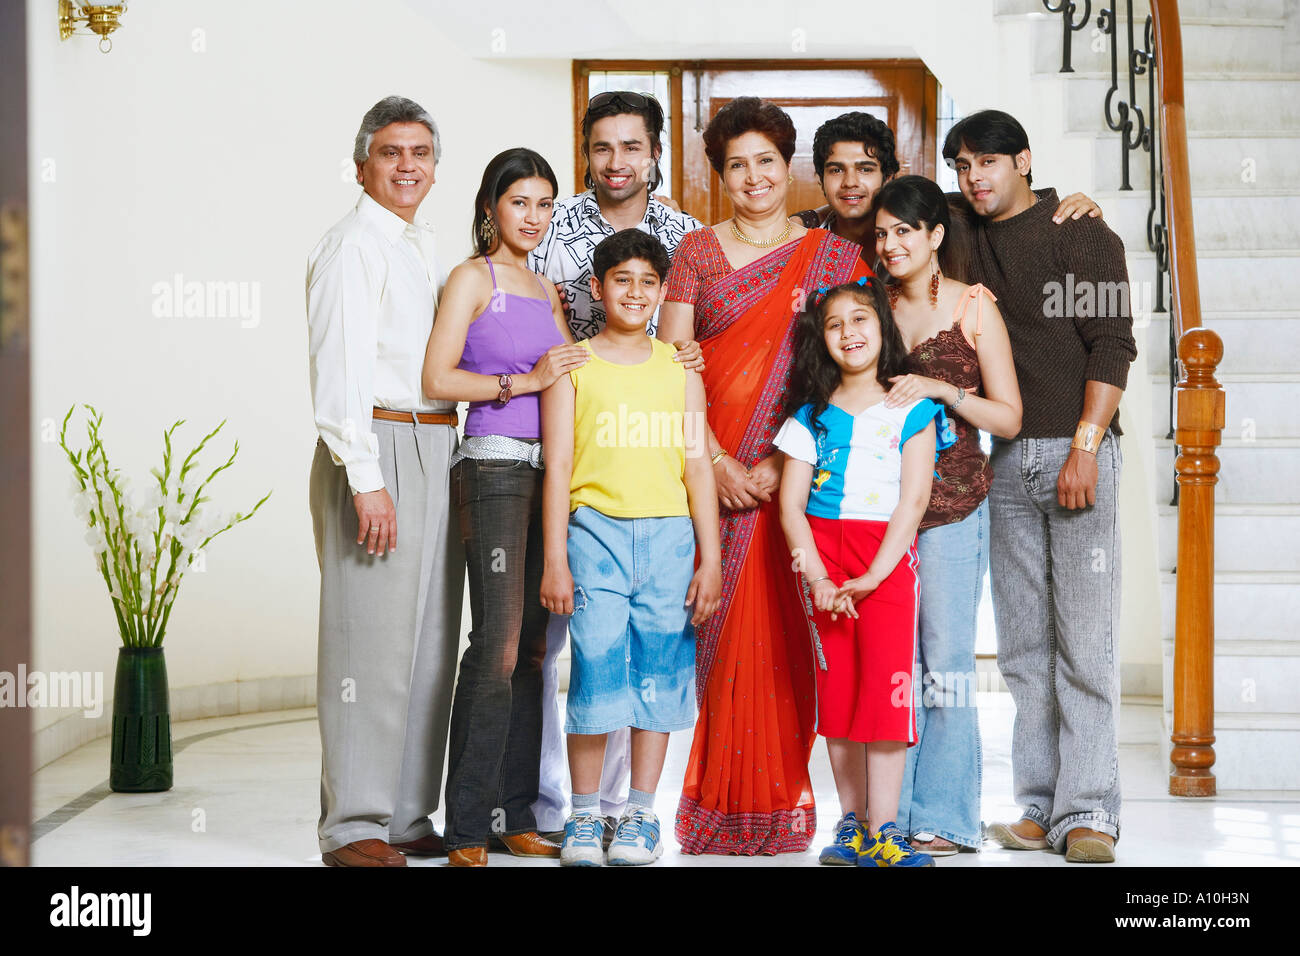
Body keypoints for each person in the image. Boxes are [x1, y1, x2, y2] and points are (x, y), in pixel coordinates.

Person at [657, 96, 871, 855]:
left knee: (788, 650)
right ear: (719, 174)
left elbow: (846, 369)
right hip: (706, 477)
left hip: (798, 482)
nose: (753, 177)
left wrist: (782, 463)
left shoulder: (835, 260)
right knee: (716, 639)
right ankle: (718, 808)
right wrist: (713, 461)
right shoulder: (695, 255)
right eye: (736, 164)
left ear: (790, 168)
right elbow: (669, 366)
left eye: (767, 162)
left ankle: (782, 809)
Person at [943, 109, 1137, 863]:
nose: (975, 177)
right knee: (1024, 648)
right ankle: (1039, 804)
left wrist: (1085, 446)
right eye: (963, 165)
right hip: (1005, 458)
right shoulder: (963, 229)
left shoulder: (1078, 231)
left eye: (989, 162)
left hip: (1077, 452)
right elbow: (897, 205)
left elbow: (1112, 345)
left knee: (1084, 643)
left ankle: (1089, 813)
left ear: (1024, 159)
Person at [528, 90, 704, 839]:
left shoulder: (686, 237)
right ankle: (567, 808)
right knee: (582, 659)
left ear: (655, 152)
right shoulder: (555, 230)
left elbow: (700, 336)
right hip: (579, 449)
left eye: (632, 146)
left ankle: (635, 814)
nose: (616, 161)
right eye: (602, 147)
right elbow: (521, 297)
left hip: (661, 469)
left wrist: (689, 359)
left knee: (657, 661)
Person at [306, 95, 462, 867]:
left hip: (437, 444)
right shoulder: (352, 247)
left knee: (429, 640)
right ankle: (353, 827)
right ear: (362, 162)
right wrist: (364, 477)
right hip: (375, 445)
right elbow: (340, 373)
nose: (408, 165)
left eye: (422, 152)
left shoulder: (418, 244)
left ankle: (404, 816)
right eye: (392, 152)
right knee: (367, 641)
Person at [421, 147, 588, 867]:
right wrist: (518, 383)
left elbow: (572, 379)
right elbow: (437, 376)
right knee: (496, 646)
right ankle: (464, 828)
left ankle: (515, 815)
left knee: (535, 654)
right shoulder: (469, 278)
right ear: (492, 206)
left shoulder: (548, 291)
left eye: (545, 204)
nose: (534, 217)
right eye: (521, 201)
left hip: (550, 475)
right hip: (492, 468)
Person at [539, 229, 722, 866]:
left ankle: (642, 815)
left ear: (663, 291)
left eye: (648, 282)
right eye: (622, 281)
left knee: (660, 675)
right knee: (595, 669)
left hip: (671, 539)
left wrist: (712, 559)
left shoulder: (680, 367)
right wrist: (556, 557)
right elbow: (558, 467)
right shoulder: (575, 367)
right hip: (596, 536)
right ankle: (586, 816)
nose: (635, 293)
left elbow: (698, 466)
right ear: (598, 287)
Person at [776, 276, 953, 867]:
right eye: (834, 325)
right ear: (820, 339)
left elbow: (914, 501)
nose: (848, 333)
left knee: (885, 696)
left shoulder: (914, 407)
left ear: (883, 327)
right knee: (840, 696)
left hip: (886, 562)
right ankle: (850, 825)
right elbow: (790, 508)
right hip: (826, 560)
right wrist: (820, 579)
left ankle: (887, 830)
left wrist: (876, 576)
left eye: (860, 320)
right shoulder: (810, 417)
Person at [872, 175, 1023, 856]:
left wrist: (944, 389)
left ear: (936, 234)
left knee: (947, 663)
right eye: (882, 233)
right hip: (875, 509)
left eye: (905, 230)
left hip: (955, 506)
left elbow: (1009, 415)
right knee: (888, 663)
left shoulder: (974, 307)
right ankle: (890, 819)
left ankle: (949, 820)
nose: (891, 243)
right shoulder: (867, 306)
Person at [793, 111, 1105, 262]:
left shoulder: (934, 219)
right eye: (836, 170)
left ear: (889, 178)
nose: (850, 182)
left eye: (865, 169)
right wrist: (805, 218)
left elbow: (1000, 201)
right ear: (820, 178)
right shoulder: (800, 241)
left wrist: (1072, 207)